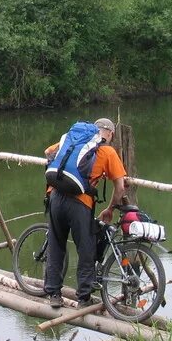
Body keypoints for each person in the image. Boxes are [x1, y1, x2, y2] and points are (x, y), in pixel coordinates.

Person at [42, 117, 126, 309]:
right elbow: (120, 187)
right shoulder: (107, 151)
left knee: (56, 245)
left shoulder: (73, 140)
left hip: (56, 196)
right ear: (111, 134)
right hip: (80, 203)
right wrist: (110, 208)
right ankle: (83, 298)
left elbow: (48, 152)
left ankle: (54, 294)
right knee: (86, 249)